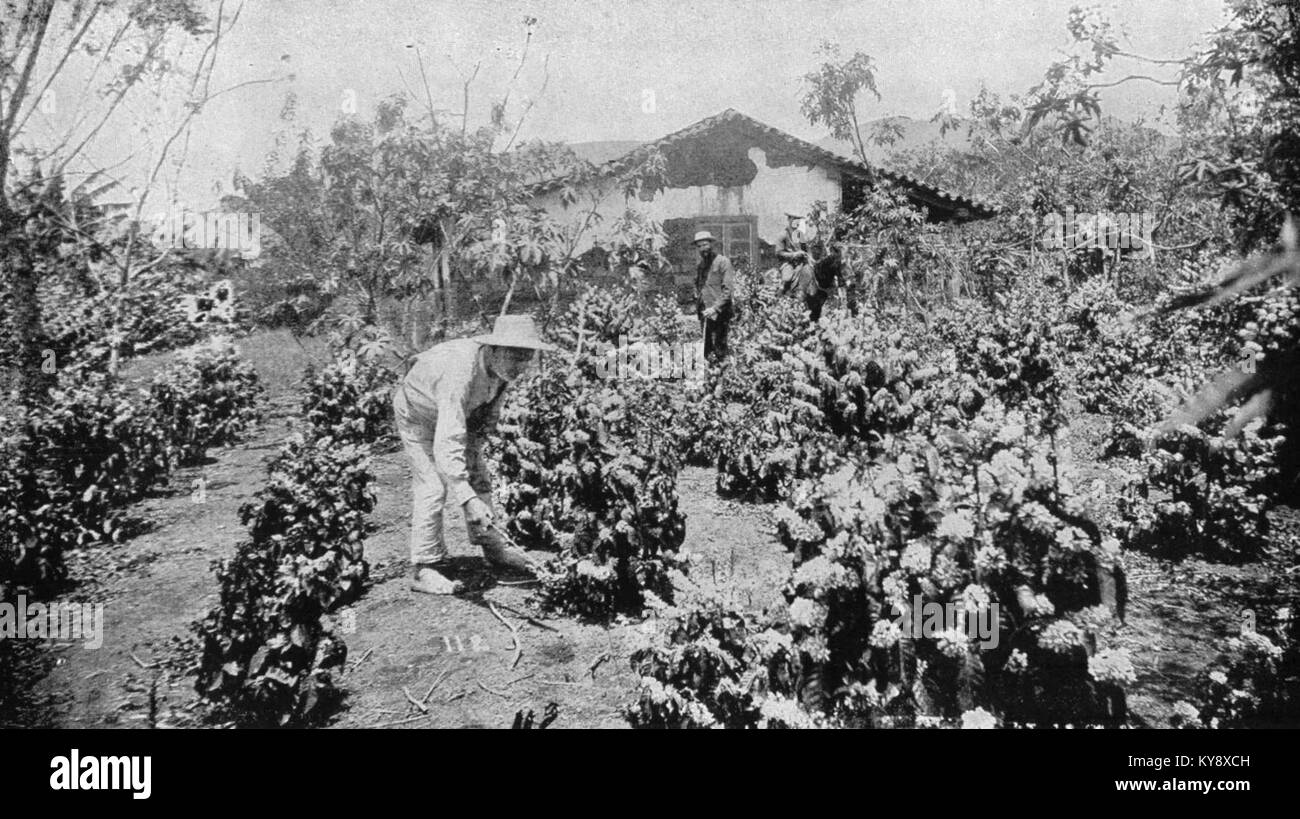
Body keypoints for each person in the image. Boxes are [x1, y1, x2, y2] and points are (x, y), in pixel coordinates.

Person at [393, 314, 554, 595]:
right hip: (417, 414)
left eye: (527, 358)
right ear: (493, 349)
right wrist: (466, 498)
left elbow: (488, 411)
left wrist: (477, 448)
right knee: (433, 485)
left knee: (479, 476)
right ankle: (424, 567)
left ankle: (494, 551)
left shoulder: (501, 371)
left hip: (456, 414)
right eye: (516, 357)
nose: (522, 365)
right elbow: (448, 442)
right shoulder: (458, 373)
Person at [693, 231, 735, 361]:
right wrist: (698, 299)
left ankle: (722, 375)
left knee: (720, 348)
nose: (702, 249)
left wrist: (715, 308)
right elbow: (699, 285)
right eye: (699, 246)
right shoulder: (701, 266)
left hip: (719, 312)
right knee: (707, 349)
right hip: (705, 312)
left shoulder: (723, 262)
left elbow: (728, 290)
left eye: (705, 244)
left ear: (711, 244)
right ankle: (709, 376)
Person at [805, 240, 845, 322]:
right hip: (818, 282)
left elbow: (839, 275)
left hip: (827, 285)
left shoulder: (835, 260)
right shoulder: (824, 260)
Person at [776, 212, 812, 295]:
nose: (797, 221)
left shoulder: (800, 235)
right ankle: (780, 296)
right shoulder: (783, 235)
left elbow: (806, 249)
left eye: (798, 219)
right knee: (787, 278)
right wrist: (794, 254)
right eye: (794, 219)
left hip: (801, 263)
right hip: (788, 263)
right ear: (789, 219)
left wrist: (810, 258)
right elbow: (779, 252)